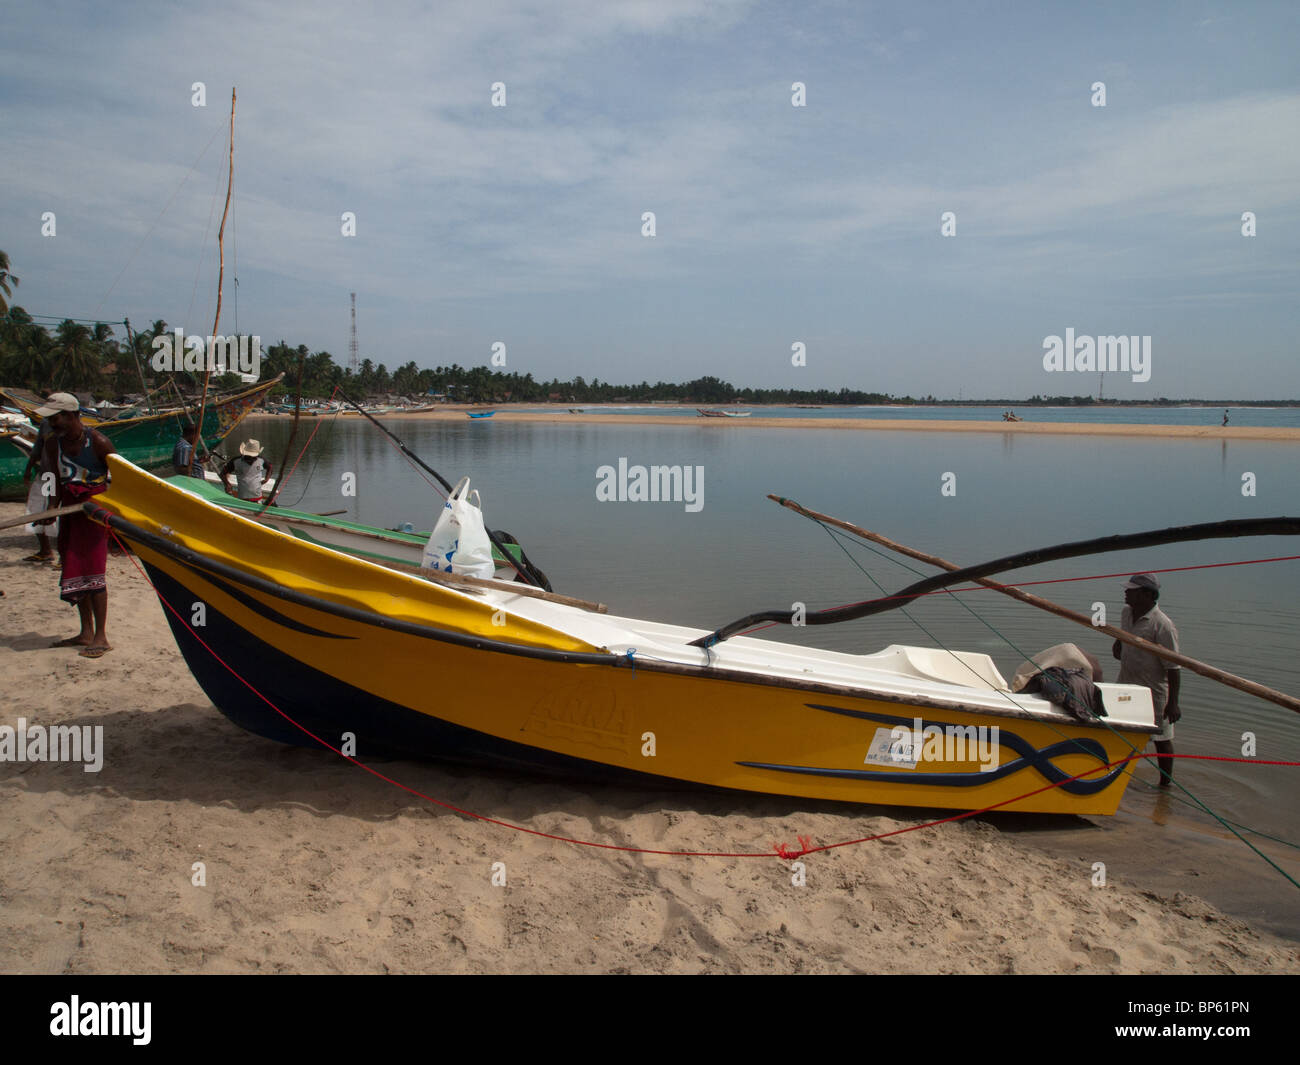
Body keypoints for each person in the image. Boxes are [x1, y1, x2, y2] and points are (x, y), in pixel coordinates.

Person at [37, 392, 117, 658]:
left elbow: (120, 479)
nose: (53, 423)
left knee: (94, 572)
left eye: (56, 418)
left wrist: (110, 508)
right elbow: (51, 476)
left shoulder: (98, 443)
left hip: (93, 513)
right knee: (74, 569)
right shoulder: (52, 444)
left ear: (72, 415)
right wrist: (50, 507)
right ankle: (85, 632)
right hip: (70, 511)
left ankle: (101, 636)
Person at [1111, 573, 1181, 786]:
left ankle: (1164, 785)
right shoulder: (1126, 612)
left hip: (1153, 691)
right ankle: (1116, 777)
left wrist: (1173, 703)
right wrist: (1119, 644)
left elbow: (1174, 666)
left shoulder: (1162, 625)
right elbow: (1121, 642)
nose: (1126, 592)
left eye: (1131, 590)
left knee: (1161, 739)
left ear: (1147, 595)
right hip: (1126, 686)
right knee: (1120, 732)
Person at [21, 409, 58, 562]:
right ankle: (45, 550)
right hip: (47, 475)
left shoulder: (74, 429)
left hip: (61, 477)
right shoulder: (45, 422)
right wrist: (29, 468)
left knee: (60, 514)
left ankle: (64, 557)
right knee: (38, 509)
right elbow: (37, 447)